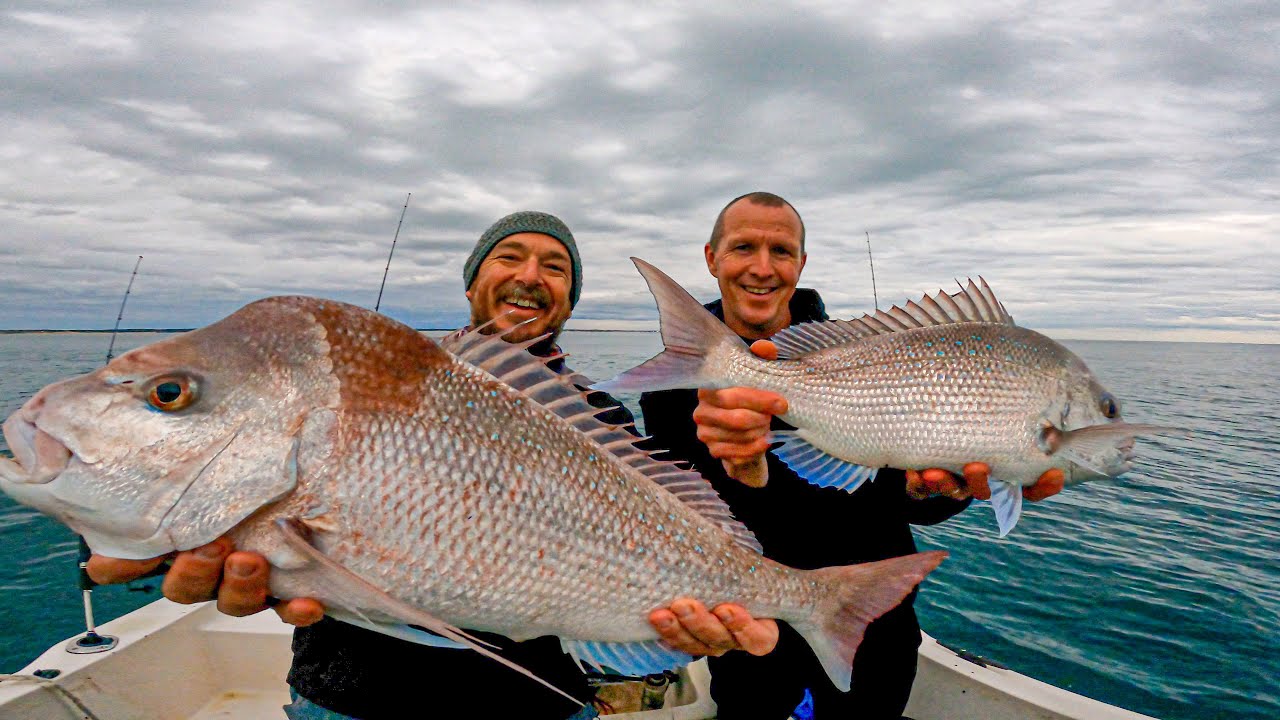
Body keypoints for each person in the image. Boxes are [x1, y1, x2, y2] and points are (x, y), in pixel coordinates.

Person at [86, 210, 777, 720]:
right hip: (351, 703)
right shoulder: (367, 389)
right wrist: (143, 537)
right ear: (474, 280)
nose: (531, 276)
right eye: (510, 256)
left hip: (540, 707)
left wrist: (703, 604)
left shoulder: (598, 418)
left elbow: (671, 541)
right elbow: (240, 494)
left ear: (570, 296)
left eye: (556, 266)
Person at [638, 192, 1065, 719]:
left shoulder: (868, 356)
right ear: (712, 258)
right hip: (751, 624)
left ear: (802, 263)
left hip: (870, 623)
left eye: (782, 251)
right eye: (743, 247)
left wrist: (934, 489)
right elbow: (689, 512)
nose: (762, 268)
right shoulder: (670, 389)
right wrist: (746, 472)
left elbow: (910, 491)